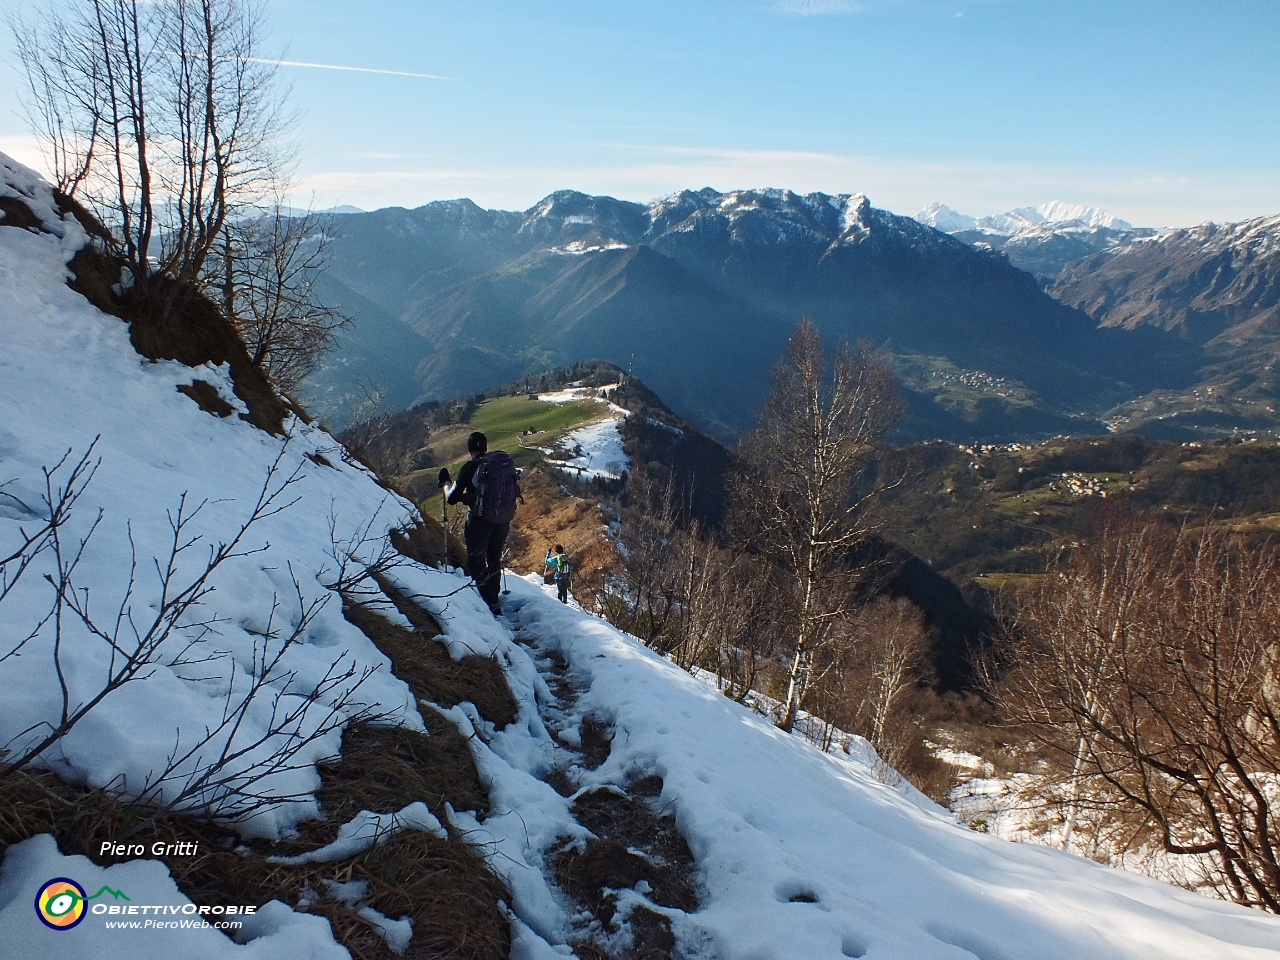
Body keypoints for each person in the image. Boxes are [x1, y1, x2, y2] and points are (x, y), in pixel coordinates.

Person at [438, 432, 520, 616]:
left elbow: (452, 498)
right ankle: (494, 599)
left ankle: (486, 602)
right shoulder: (499, 463)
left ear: (469, 449)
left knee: (476, 560)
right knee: (494, 558)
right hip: (502, 520)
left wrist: (445, 483)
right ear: (485, 446)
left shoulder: (470, 467)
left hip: (479, 521)